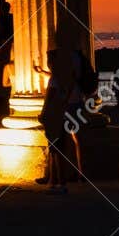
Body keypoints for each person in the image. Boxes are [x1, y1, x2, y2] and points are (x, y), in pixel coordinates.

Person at [39, 46, 77, 192]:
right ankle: (57, 182)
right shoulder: (65, 79)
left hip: (54, 117)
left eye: (50, 60)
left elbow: (49, 99)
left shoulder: (54, 80)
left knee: (55, 150)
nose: (48, 63)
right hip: (63, 114)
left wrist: (43, 114)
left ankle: (59, 183)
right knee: (59, 149)